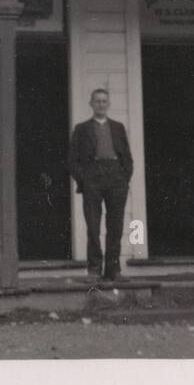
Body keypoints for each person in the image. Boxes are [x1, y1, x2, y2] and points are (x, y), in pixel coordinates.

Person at [67, 88, 133, 282]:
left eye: (104, 101)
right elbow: (72, 160)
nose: (101, 104)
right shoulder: (81, 129)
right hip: (93, 177)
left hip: (115, 177)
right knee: (93, 225)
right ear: (91, 104)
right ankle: (94, 269)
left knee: (116, 226)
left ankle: (113, 270)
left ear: (109, 104)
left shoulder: (118, 127)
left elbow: (127, 158)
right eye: (97, 101)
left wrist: (123, 178)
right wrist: (84, 180)